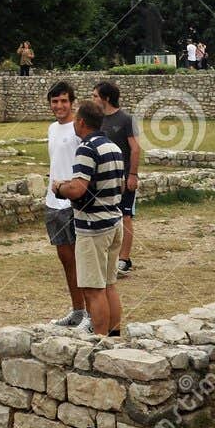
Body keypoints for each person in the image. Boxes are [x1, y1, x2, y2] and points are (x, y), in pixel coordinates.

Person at [52, 100, 127, 336]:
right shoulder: (112, 147)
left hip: (93, 227)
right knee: (109, 285)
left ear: (82, 122)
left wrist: (59, 188)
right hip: (114, 222)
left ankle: (100, 340)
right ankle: (114, 335)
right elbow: (121, 186)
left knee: (94, 290)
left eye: (76, 120)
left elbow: (78, 190)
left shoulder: (87, 148)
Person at [42, 81, 85, 328]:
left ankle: (91, 314)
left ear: (72, 102)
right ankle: (77, 310)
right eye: (55, 101)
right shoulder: (51, 128)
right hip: (53, 203)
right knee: (67, 260)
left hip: (75, 202)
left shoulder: (78, 128)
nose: (59, 106)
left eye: (64, 101)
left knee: (84, 261)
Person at [93, 80, 142, 277]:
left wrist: (132, 174)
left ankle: (124, 259)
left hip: (123, 178)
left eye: (95, 96)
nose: (93, 99)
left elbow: (135, 148)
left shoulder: (126, 119)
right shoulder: (97, 120)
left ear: (106, 98)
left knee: (125, 216)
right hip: (102, 179)